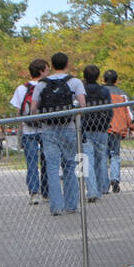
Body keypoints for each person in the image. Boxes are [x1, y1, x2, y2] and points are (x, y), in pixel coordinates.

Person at [32, 52, 87, 215]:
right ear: (67, 64)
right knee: (70, 164)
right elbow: (83, 104)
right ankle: (71, 205)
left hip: (48, 129)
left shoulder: (41, 84)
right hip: (69, 126)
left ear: (52, 64)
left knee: (52, 167)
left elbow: (34, 108)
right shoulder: (75, 82)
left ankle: (56, 206)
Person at [10, 58, 49, 204]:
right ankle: (47, 191)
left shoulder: (21, 89)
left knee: (31, 162)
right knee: (47, 161)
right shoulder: (47, 87)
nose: (48, 72)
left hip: (28, 130)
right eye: (47, 69)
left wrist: (21, 129)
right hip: (46, 129)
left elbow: (18, 111)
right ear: (41, 71)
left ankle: (34, 192)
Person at [80, 65, 112, 202]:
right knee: (101, 159)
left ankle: (92, 190)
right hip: (101, 128)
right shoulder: (104, 90)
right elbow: (110, 109)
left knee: (88, 161)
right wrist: (106, 122)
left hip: (86, 128)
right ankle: (103, 187)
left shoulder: (81, 90)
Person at [103, 70, 134, 193]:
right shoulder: (122, 94)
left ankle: (104, 183)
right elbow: (129, 112)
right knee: (115, 155)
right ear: (116, 80)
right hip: (117, 128)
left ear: (104, 79)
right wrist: (131, 126)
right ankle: (115, 178)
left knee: (103, 156)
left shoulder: (102, 92)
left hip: (103, 127)